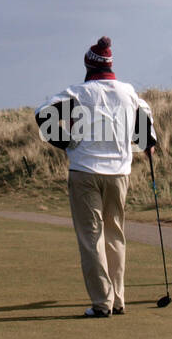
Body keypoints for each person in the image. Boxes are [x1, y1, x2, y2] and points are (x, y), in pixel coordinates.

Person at [35, 37, 155, 318]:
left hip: (85, 171)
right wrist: (144, 145)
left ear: (89, 66)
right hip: (119, 174)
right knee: (115, 235)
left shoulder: (80, 93)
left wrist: (65, 143)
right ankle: (118, 299)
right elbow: (145, 135)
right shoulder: (128, 92)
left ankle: (102, 302)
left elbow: (43, 114)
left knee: (92, 237)